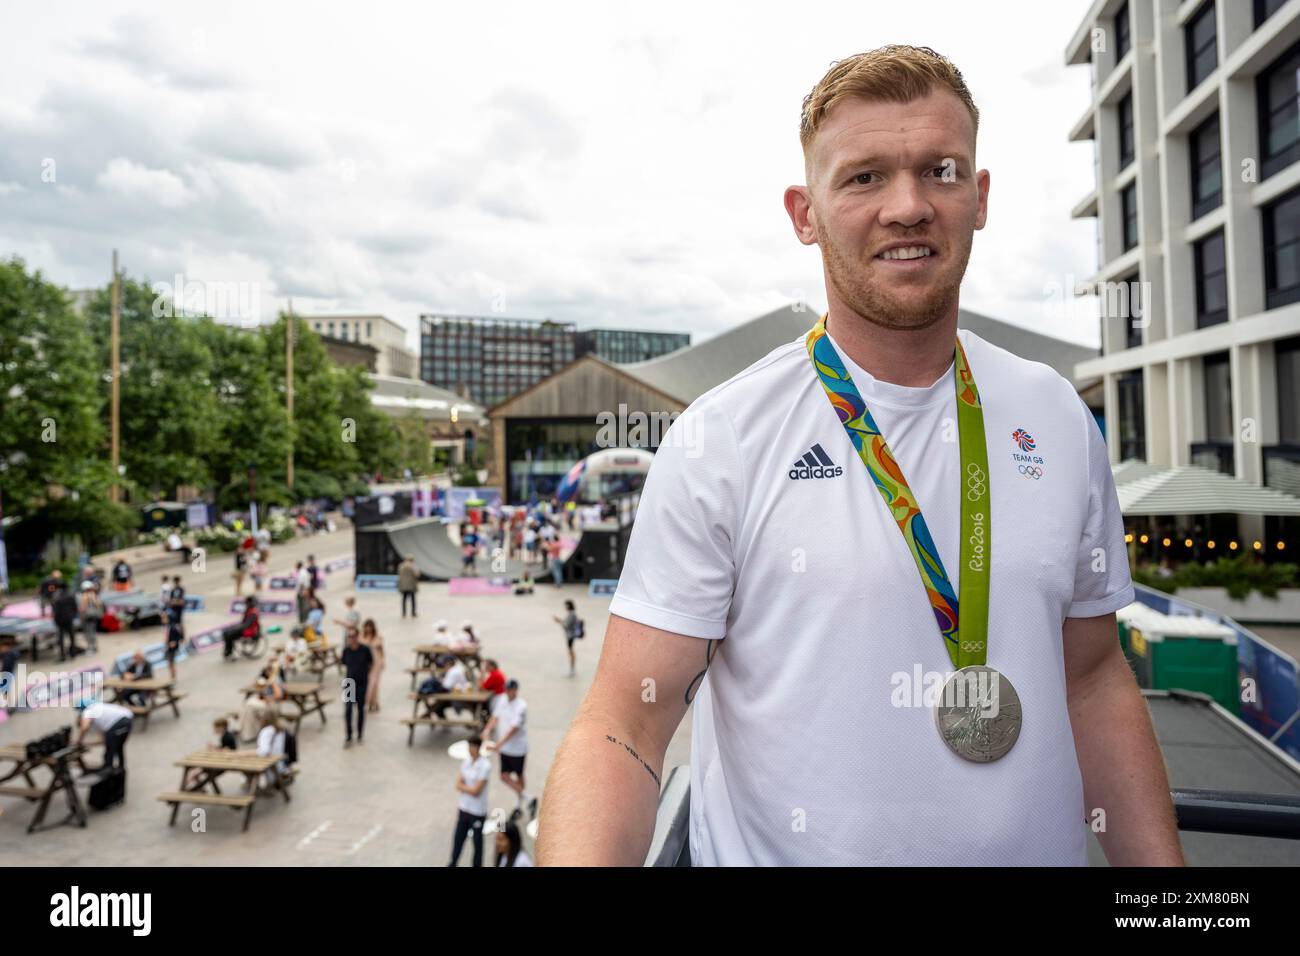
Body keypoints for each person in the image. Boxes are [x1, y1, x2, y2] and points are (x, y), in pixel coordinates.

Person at [537, 45, 1179, 868]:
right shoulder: (722, 440)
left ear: (978, 198)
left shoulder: (1053, 414)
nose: (908, 206)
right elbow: (624, 723)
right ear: (805, 214)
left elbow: (1092, 680)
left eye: (939, 171)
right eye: (864, 177)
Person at [481, 680, 534, 819]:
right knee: (504, 776)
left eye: (510, 690)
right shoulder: (502, 700)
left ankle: (518, 804)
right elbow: (495, 717)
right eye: (506, 689)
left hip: (517, 748)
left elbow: (514, 729)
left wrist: (498, 744)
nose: (508, 692)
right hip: (505, 748)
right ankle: (529, 798)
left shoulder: (521, 706)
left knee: (519, 775)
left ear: (516, 690)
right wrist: (487, 729)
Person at [449, 735, 492, 867]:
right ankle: (453, 863)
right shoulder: (466, 761)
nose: (470, 749)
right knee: (458, 839)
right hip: (464, 808)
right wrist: (468, 788)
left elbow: (476, 791)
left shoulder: (485, 765)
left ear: (478, 748)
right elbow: (458, 784)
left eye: (472, 746)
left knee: (477, 842)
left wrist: (465, 787)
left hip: (477, 810)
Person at [77, 698, 133, 770]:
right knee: (118, 746)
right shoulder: (100, 711)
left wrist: (79, 740)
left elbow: (84, 727)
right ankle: (121, 769)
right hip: (128, 718)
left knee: (110, 750)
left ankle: (108, 769)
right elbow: (103, 740)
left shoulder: (88, 711)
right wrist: (87, 743)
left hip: (120, 722)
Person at [340, 627, 372, 747]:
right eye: (349, 636)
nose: (351, 639)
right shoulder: (346, 650)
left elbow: (370, 662)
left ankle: (360, 733)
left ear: (358, 637)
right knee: (348, 710)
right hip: (349, 683)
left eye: (353, 636)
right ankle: (348, 735)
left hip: (361, 683)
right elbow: (343, 662)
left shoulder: (365, 650)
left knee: (360, 709)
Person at [225, 595, 260, 661]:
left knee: (230, 635)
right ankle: (227, 651)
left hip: (249, 631)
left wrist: (236, 628)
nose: (245, 604)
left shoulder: (253, 613)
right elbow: (243, 623)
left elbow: (246, 625)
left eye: (246, 602)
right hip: (245, 629)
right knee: (226, 633)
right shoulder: (249, 610)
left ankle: (230, 653)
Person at [553, 600, 581, 677]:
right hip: (570, 635)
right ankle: (572, 668)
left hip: (570, 636)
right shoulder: (572, 614)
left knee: (571, 652)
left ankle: (572, 669)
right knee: (571, 651)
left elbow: (566, 625)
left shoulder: (571, 614)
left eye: (566, 605)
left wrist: (559, 621)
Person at [52, 583, 80, 661]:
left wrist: (56, 620)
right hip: (69, 619)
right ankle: (73, 653)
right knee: (72, 637)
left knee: (61, 638)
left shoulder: (57, 597)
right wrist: (73, 616)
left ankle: (62, 655)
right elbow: (75, 607)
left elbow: (56, 610)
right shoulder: (71, 596)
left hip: (61, 620)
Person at [362, 618, 385, 713]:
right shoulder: (361, 637)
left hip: (376, 662)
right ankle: (368, 702)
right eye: (366, 627)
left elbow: (381, 651)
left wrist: (383, 662)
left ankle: (374, 703)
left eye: (370, 627)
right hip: (365, 663)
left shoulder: (377, 638)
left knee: (374, 683)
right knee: (368, 683)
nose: (368, 629)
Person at [78, 580, 102, 654]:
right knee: (92, 631)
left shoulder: (84, 596)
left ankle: (91, 647)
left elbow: (82, 608)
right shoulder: (94, 595)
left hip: (87, 616)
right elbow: (98, 605)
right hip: (94, 616)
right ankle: (94, 646)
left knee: (89, 632)